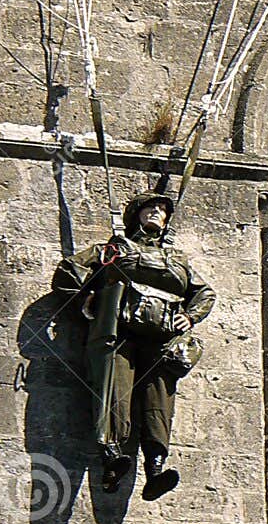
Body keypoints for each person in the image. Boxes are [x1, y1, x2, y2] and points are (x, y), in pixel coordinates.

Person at [52, 191, 215, 499]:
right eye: (149, 207)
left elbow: (205, 293)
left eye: (162, 209)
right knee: (114, 389)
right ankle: (111, 454)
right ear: (135, 214)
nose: (156, 212)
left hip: (161, 336)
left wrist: (190, 317)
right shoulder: (115, 248)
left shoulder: (177, 259)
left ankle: (155, 467)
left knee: (160, 400)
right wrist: (86, 302)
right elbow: (68, 271)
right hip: (119, 332)